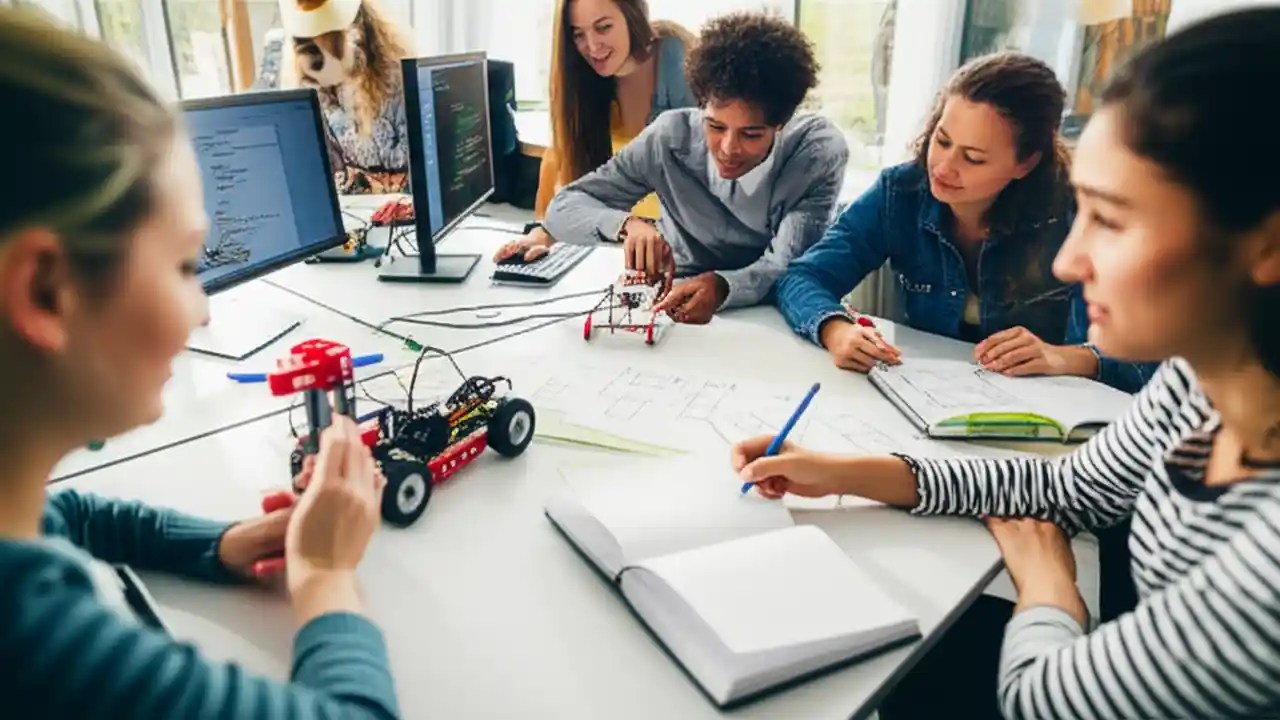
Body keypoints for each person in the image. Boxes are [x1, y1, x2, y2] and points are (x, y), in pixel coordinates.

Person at [735, 8, 1280, 718]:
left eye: (1113, 220)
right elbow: (1071, 485)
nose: (1068, 260)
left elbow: (1040, 700)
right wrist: (843, 473)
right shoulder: (1201, 378)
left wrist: (1049, 584)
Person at [0, 9, 398, 717]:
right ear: (45, 291)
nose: (203, 310)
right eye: (186, 264)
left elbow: (72, 515)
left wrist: (226, 544)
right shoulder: (32, 639)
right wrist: (327, 577)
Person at [775, 52, 1156, 393]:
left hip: (1045, 418)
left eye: (973, 158)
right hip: (928, 401)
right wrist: (836, 330)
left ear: (1026, 163)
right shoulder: (901, 193)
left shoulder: (1076, 215)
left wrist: (1067, 357)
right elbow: (803, 278)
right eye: (942, 141)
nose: (944, 167)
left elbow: (1150, 360)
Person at [542, 11, 848, 325]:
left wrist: (721, 286)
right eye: (715, 127)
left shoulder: (815, 152)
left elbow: (788, 267)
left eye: (751, 134)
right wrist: (627, 224)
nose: (728, 149)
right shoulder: (669, 138)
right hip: (677, 308)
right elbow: (563, 208)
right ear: (700, 104)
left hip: (782, 312)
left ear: (781, 124)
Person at [494, 0, 697, 264]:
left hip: (680, 249)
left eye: (603, 27)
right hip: (620, 244)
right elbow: (588, 190)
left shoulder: (676, 61)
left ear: (632, 14)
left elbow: (704, 188)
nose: (591, 47)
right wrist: (546, 235)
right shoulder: (586, 82)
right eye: (578, 34)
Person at [280, 0, 412, 194]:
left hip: (405, 203)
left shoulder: (395, 71)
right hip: (355, 206)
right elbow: (322, 165)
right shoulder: (310, 82)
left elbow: (419, 155)